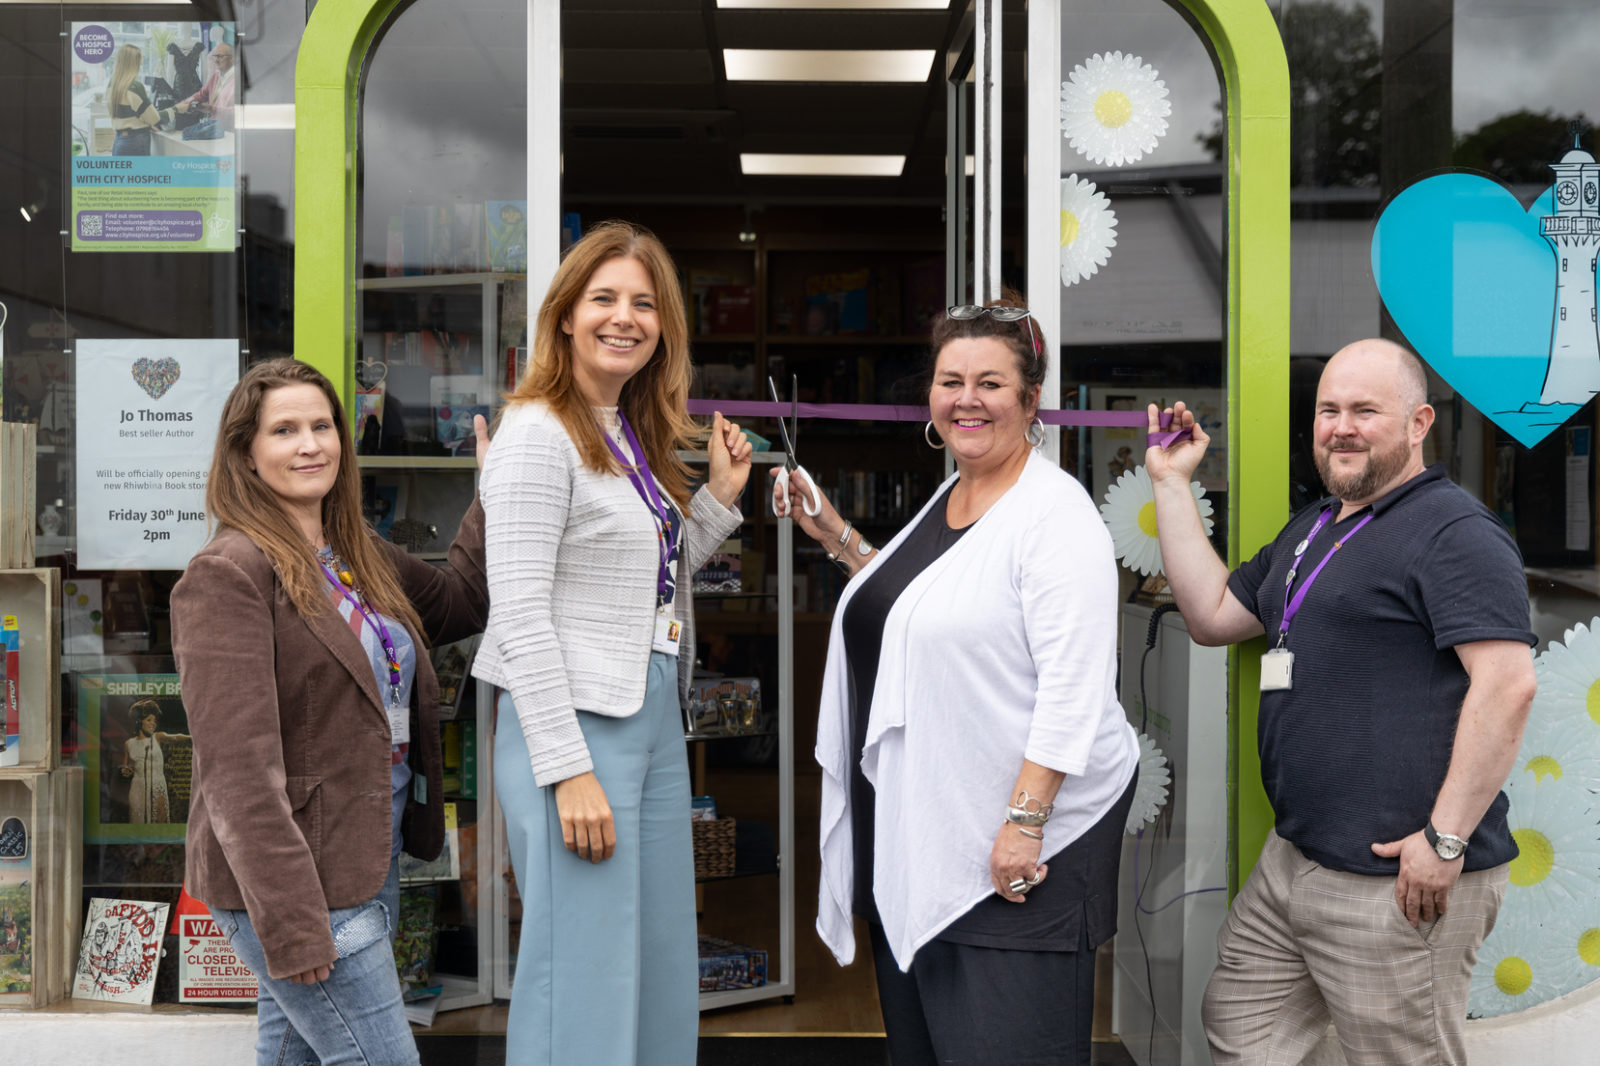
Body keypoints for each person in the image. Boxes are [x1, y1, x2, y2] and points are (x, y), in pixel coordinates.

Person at [1145, 338, 1538, 1065]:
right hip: (1296, 860)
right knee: (1242, 1029)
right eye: (1329, 410)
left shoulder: (1456, 532)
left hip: (1397, 876)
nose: (1341, 426)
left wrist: (1444, 841)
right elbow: (1210, 615)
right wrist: (1170, 484)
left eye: (1365, 410)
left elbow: (1509, 683)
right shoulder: (1317, 527)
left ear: (1419, 423)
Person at [778, 298, 1140, 1065]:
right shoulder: (955, 496)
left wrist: (1024, 822)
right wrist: (835, 534)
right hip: (929, 844)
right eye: (950, 381)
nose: (966, 399)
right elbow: (925, 608)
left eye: (990, 383)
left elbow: (1074, 686)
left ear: (1030, 400)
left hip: (1016, 862)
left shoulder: (1056, 513)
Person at [472, 220, 752, 1066]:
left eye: (643, 302)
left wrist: (715, 504)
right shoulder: (535, 432)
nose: (623, 317)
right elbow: (518, 611)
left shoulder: (621, 429)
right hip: (575, 729)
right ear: (564, 315)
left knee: (660, 960)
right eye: (604, 299)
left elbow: (638, 581)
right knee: (584, 974)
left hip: (649, 712)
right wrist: (567, 769)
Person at [170, 358, 488, 1066]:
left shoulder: (356, 555)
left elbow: (462, 603)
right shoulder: (227, 575)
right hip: (299, 881)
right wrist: (290, 921)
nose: (310, 444)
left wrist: (494, 491)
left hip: (366, 856)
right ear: (245, 454)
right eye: (284, 430)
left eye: (322, 426)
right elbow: (237, 774)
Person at [120, 699, 188, 824]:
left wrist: (194, 737)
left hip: (157, 785)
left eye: (155, 720)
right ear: (139, 721)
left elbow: (175, 737)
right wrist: (126, 771)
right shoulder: (128, 744)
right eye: (149, 720)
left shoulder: (157, 737)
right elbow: (127, 767)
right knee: (138, 822)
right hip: (137, 788)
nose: (153, 723)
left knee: (161, 820)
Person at [106, 44, 169, 156]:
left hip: (119, 141)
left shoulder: (112, 85)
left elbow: (127, 114)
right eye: (139, 63)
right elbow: (154, 118)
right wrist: (175, 110)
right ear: (133, 64)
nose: (140, 66)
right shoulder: (135, 87)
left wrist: (144, 124)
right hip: (135, 142)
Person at [174, 40, 235, 132]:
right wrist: (183, 104)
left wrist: (212, 109)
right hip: (214, 130)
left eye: (220, 56)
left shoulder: (239, 81)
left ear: (231, 58)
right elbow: (200, 95)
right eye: (215, 56)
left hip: (230, 134)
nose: (216, 60)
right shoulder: (216, 77)